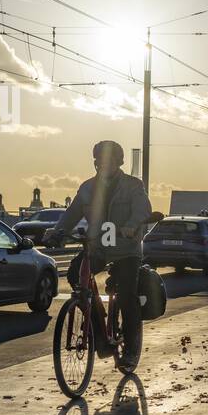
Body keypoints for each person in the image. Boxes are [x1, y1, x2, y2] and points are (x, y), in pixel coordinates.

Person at [43, 139, 152, 367]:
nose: (102, 163)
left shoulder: (133, 185)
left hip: (126, 249)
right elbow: (72, 213)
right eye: (99, 159)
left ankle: (131, 349)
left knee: (126, 295)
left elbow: (143, 209)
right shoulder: (88, 188)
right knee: (75, 275)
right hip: (98, 247)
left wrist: (132, 225)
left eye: (108, 159)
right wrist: (57, 233)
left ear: (118, 161)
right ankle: (98, 324)